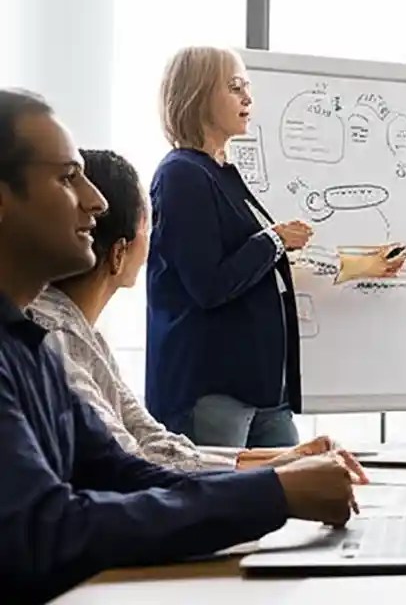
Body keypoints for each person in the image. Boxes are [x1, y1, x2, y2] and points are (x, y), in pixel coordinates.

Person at [0, 89, 356, 602]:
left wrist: (278, 483)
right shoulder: (31, 342)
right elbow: (45, 532)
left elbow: (128, 472)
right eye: (65, 178)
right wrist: (277, 490)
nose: (96, 202)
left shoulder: (28, 345)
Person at [29, 148, 366, 478]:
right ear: (119, 252)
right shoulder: (54, 338)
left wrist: (287, 460)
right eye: (151, 223)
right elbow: (131, 467)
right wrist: (277, 482)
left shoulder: (86, 338)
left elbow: (153, 444)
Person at [147, 45, 312, 447]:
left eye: (247, 87)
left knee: (285, 495)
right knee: (220, 504)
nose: (248, 98)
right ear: (198, 95)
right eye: (234, 87)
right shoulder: (182, 174)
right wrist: (274, 239)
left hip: (262, 390)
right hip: (213, 390)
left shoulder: (221, 173)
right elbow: (209, 284)